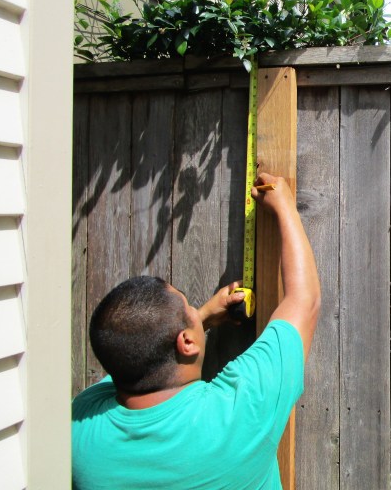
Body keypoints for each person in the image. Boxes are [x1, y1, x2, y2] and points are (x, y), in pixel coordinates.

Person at [72, 173, 320, 490]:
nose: (195, 309)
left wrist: (199, 318)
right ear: (186, 342)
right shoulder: (237, 413)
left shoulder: (79, 428)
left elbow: (135, 356)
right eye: (189, 305)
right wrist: (285, 205)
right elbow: (303, 301)